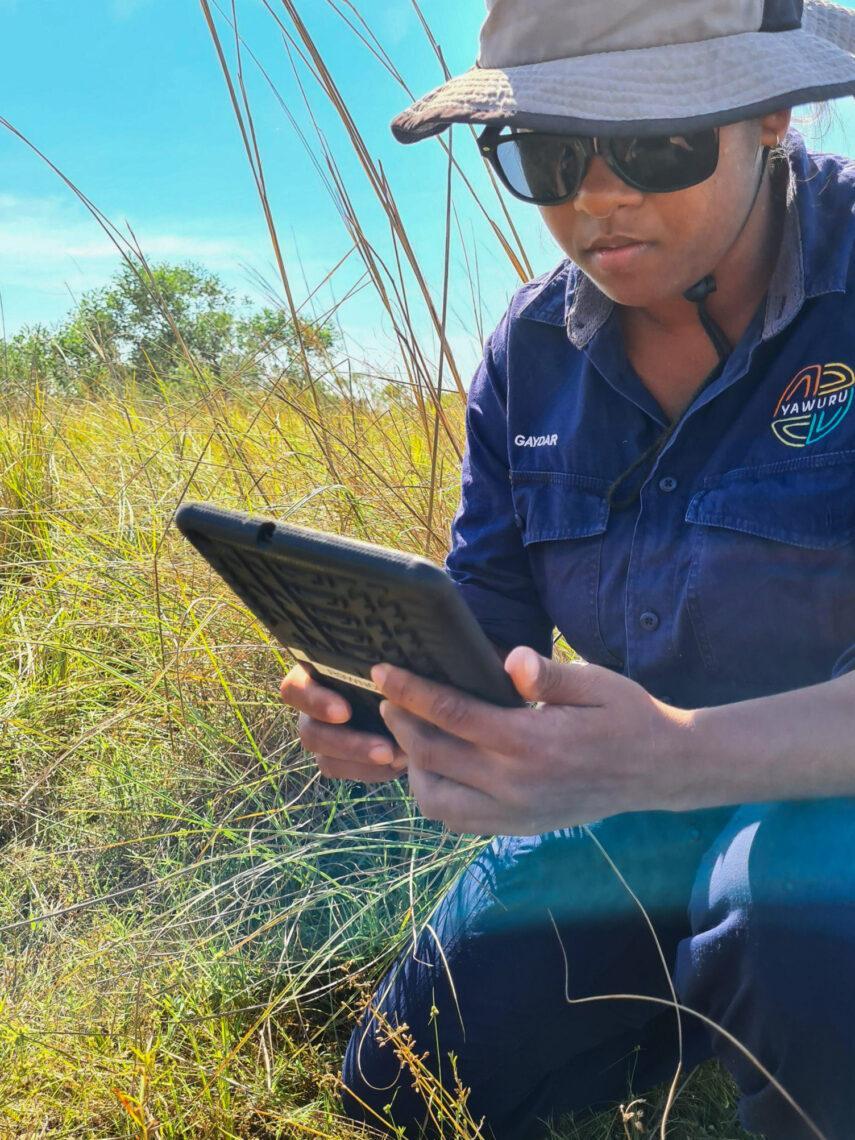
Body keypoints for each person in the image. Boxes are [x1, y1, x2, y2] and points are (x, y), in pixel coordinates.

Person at [279, 1, 855, 1137]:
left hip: (816, 806)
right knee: (401, 1089)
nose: (595, 196)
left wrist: (675, 756)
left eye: (656, 145)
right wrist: (405, 696)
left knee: (792, 925)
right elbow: (492, 601)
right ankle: (707, 1004)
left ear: (772, 116)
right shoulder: (532, 351)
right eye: (544, 154)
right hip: (635, 794)